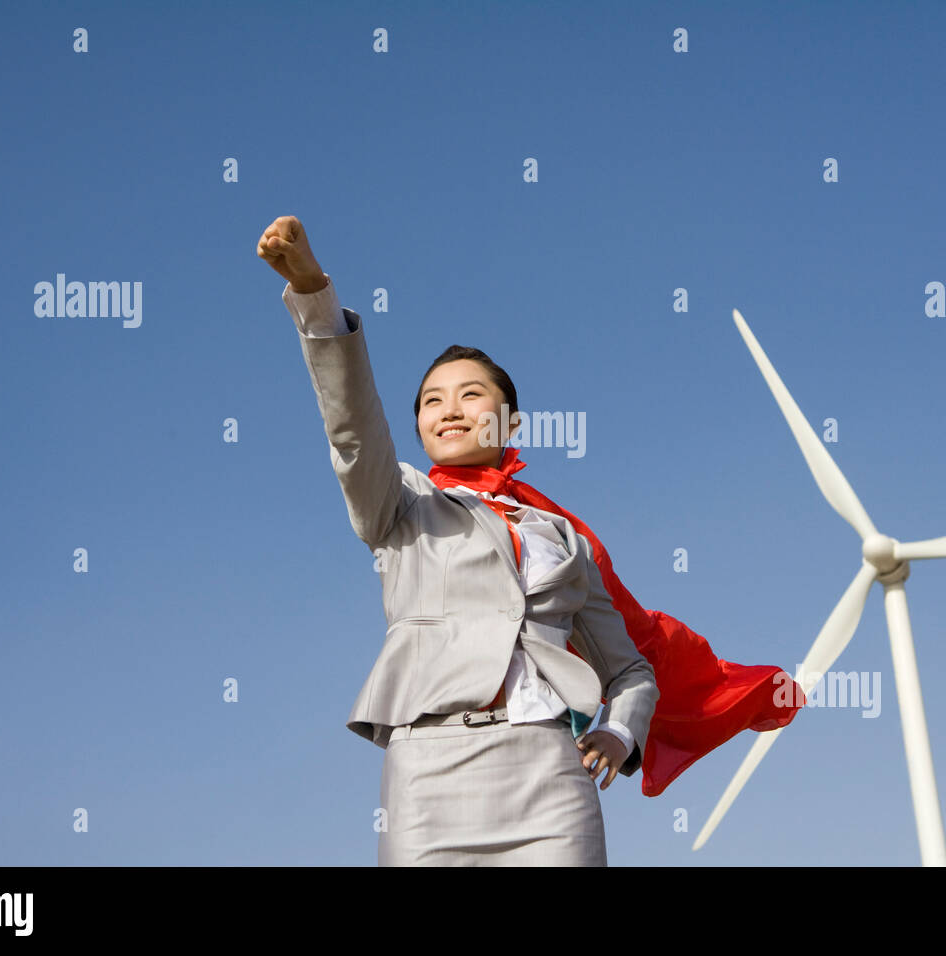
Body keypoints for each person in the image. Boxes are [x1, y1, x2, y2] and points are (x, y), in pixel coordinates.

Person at [257, 215, 659, 866]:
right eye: (431, 400)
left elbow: (631, 668)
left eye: (471, 395)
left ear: (510, 419)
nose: (449, 409)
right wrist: (315, 298)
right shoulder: (402, 504)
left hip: (548, 773)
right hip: (428, 772)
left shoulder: (560, 536)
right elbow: (354, 433)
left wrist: (618, 731)